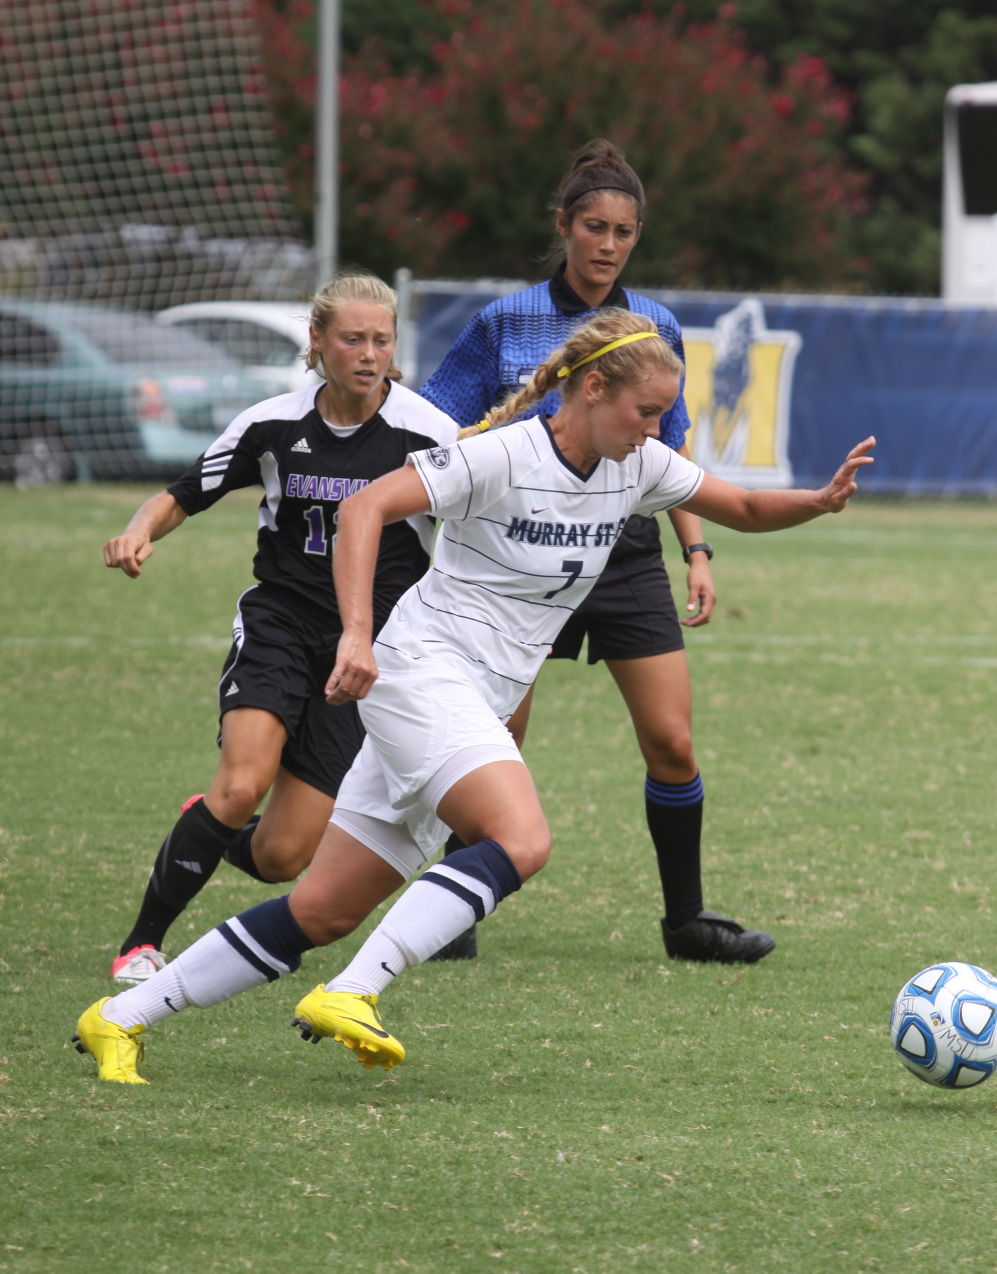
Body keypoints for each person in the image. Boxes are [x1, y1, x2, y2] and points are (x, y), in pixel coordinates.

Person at [72, 308, 874, 1082]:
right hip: (422, 670)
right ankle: (353, 991)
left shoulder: (640, 465)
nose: (656, 430)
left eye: (664, 417)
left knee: (319, 909)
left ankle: (121, 1018)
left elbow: (738, 505)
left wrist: (820, 500)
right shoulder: (503, 454)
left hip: (470, 696)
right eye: (646, 412)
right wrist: (357, 633)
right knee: (522, 838)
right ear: (591, 391)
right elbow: (365, 507)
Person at [420, 139, 758, 967]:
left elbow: (670, 452)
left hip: (625, 551)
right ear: (564, 226)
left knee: (672, 741)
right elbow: (436, 425)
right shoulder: (504, 323)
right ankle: (449, 907)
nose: (607, 245)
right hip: (517, 555)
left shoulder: (657, 328)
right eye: (594, 227)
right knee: (495, 737)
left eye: (624, 232)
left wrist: (699, 552)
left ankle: (686, 920)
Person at [102, 272, 457, 983]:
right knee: (242, 785)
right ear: (317, 341)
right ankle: (141, 943)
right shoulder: (273, 422)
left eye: (381, 340)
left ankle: (207, 826)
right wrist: (140, 529)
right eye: (352, 338)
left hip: (366, 652)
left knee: (281, 856)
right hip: (281, 621)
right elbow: (185, 493)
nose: (368, 353)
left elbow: (480, 528)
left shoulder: (429, 433)